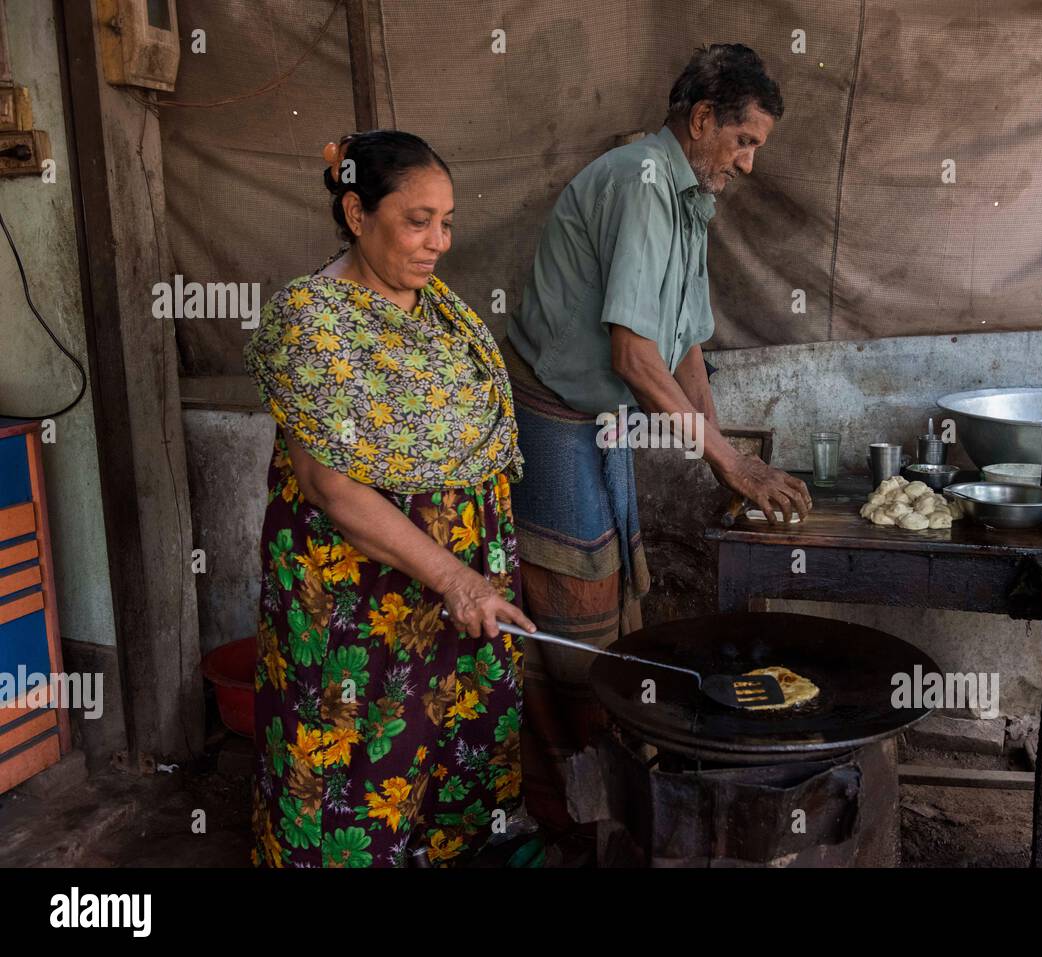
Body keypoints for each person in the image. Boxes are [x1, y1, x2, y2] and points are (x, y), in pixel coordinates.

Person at [505, 43, 813, 835]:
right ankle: (567, 805)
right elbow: (633, 356)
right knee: (572, 605)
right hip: (554, 414)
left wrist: (725, 465)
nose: (746, 164)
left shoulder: (686, 198)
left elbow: (682, 348)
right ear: (702, 119)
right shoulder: (643, 184)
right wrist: (728, 459)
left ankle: (607, 778)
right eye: (742, 140)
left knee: (613, 597)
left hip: (600, 420)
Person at [243, 129, 534, 867]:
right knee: (355, 775)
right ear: (355, 212)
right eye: (417, 219)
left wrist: (472, 576)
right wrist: (456, 575)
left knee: (452, 770)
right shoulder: (313, 322)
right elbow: (330, 486)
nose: (438, 240)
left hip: (456, 611)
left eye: (447, 220)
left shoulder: (438, 313)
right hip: (362, 610)